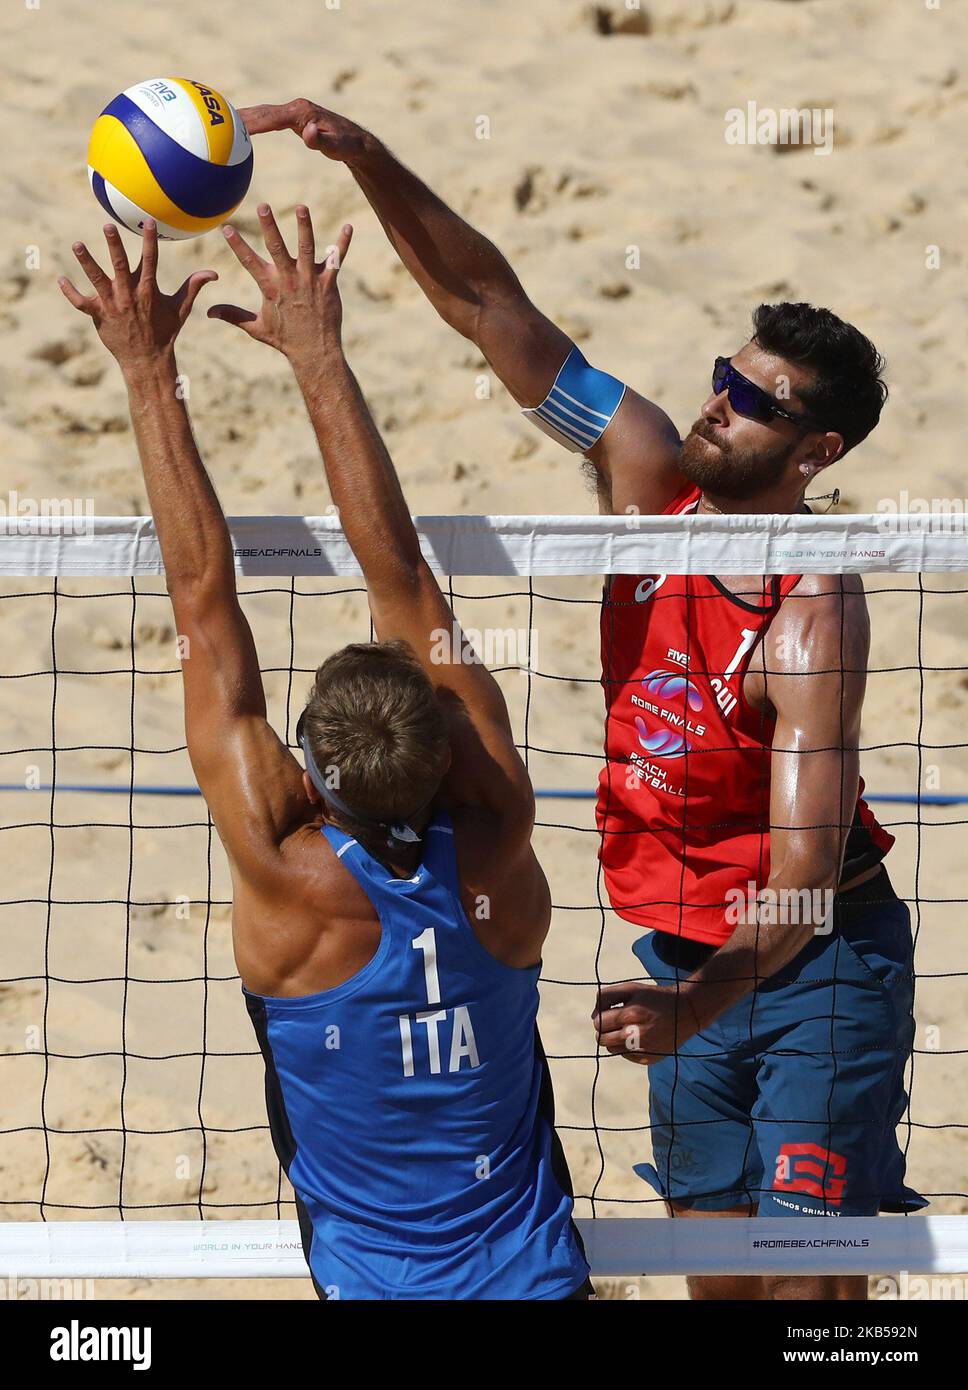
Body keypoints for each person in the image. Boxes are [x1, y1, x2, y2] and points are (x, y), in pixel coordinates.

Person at [236, 100, 925, 1300]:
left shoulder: (811, 608)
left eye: (754, 401)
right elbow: (487, 310)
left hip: (810, 964)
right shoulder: (645, 480)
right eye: (723, 376)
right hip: (679, 952)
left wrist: (694, 1003)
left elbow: (804, 871)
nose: (718, 402)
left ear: (814, 452)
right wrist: (367, 159)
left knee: (812, 1291)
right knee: (720, 1286)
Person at [58, 211, 590, 1302]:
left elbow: (204, 611)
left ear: (308, 774)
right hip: (534, 1279)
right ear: (446, 755)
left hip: (375, 1288)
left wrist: (150, 371)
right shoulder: (499, 841)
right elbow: (400, 570)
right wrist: (318, 354)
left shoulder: (284, 872)